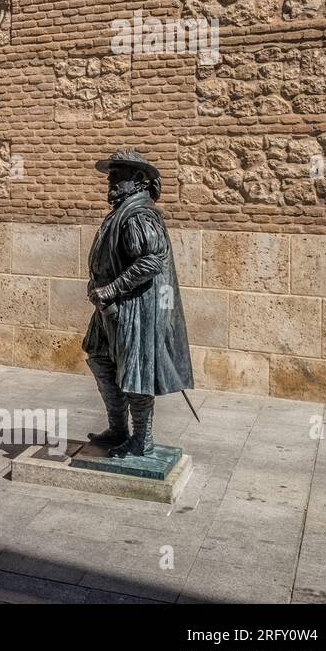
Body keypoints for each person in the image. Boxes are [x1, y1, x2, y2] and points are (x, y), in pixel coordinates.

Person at [83, 149, 193, 458]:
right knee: (100, 358)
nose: (112, 182)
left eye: (119, 177)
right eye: (111, 177)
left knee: (135, 371)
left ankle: (142, 438)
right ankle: (119, 428)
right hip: (110, 307)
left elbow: (151, 262)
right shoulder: (123, 212)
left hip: (135, 308)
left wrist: (111, 289)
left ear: (139, 182)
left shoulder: (139, 215)